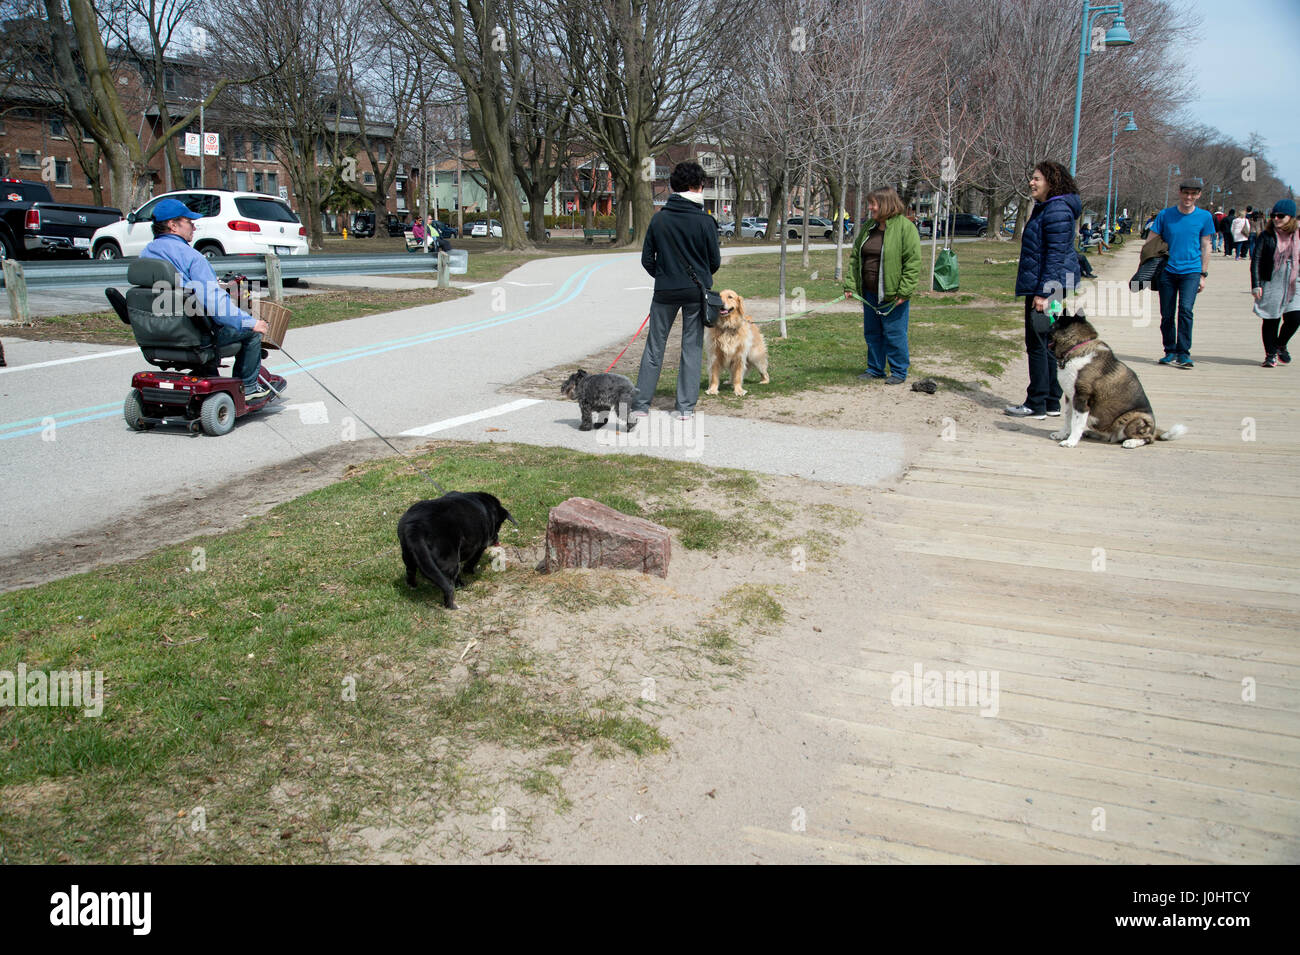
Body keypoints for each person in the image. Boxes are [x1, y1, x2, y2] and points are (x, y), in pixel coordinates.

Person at [139, 197, 271, 400]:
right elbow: (215, 303)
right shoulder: (193, 257)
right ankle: (248, 388)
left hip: (158, 334)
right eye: (189, 222)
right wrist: (251, 323)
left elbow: (181, 287)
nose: (194, 226)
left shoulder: (146, 255)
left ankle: (208, 374)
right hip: (194, 336)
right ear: (173, 225)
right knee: (250, 334)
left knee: (201, 319)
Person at [631, 161, 721, 422]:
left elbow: (647, 259)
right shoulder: (706, 221)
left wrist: (664, 276)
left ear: (673, 187)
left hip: (665, 291)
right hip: (696, 292)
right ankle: (684, 408)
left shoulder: (659, 219)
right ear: (698, 186)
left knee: (654, 347)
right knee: (690, 348)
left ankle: (641, 405)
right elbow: (714, 261)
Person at [1004, 160, 1082, 419]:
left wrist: (1044, 293)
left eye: (1037, 178)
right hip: (1050, 286)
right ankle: (1050, 400)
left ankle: (1035, 403)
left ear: (1052, 181)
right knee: (1050, 342)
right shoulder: (1048, 208)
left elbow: (1055, 256)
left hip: (1048, 287)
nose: (1031, 182)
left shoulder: (1056, 210)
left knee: (1038, 343)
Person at [844, 186, 920, 384]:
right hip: (869, 293)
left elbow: (912, 263)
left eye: (873, 204)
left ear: (885, 204)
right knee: (872, 333)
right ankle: (875, 368)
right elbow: (855, 258)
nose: (870, 208)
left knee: (894, 334)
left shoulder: (905, 228)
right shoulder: (870, 227)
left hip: (893, 295)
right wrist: (850, 286)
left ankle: (899, 371)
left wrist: (904, 291)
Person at [1151, 178, 1215, 368]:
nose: (1189, 197)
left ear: (1199, 195)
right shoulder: (1165, 215)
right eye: (1186, 193)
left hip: (1192, 271)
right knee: (1167, 314)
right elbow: (1151, 242)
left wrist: (1203, 274)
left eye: (1193, 194)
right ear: (1179, 193)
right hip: (1167, 271)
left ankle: (1183, 352)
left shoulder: (1204, 217)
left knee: (1186, 310)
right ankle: (1169, 350)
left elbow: (1206, 245)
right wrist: (1147, 269)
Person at [1251, 199, 1300, 368]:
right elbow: (1256, 259)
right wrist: (1256, 284)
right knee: (1271, 319)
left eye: (1280, 216)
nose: (1276, 219)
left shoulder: (1298, 235)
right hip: (1271, 280)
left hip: (1294, 281)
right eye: (1273, 215)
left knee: (1295, 317)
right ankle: (1270, 354)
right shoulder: (1267, 235)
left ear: (1291, 217)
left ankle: (1280, 344)